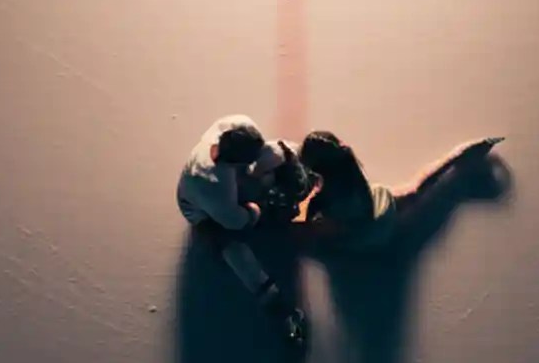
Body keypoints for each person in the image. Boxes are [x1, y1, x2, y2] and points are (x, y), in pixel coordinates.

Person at [176, 115, 306, 344]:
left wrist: (287, 159)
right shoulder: (211, 185)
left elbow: (264, 151)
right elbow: (238, 221)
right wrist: (259, 209)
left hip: (228, 186)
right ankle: (278, 307)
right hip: (202, 212)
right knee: (235, 251)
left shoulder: (233, 125)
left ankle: (292, 160)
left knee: (274, 157)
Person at [296, 131, 503, 251]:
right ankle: (459, 154)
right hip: (380, 207)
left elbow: (320, 227)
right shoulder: (350, 169)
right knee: (416, 188)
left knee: (314, 241)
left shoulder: (330, 200)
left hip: (368, 232)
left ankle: (460, 156)